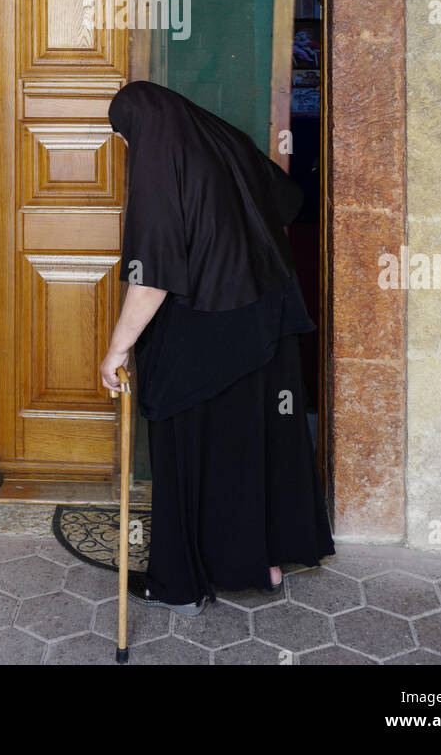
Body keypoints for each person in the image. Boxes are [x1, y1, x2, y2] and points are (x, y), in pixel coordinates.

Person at [100, 80, 334, 615]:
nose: (132, 151)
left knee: (187, 449)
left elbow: (152, 278)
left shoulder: (161, 169)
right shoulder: (222, 146)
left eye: (126, 139)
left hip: (201, 328)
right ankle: (260, 564)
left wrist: (117, 349)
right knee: (247, 444)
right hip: (260, 320)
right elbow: (288, 199)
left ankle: (178, 583)